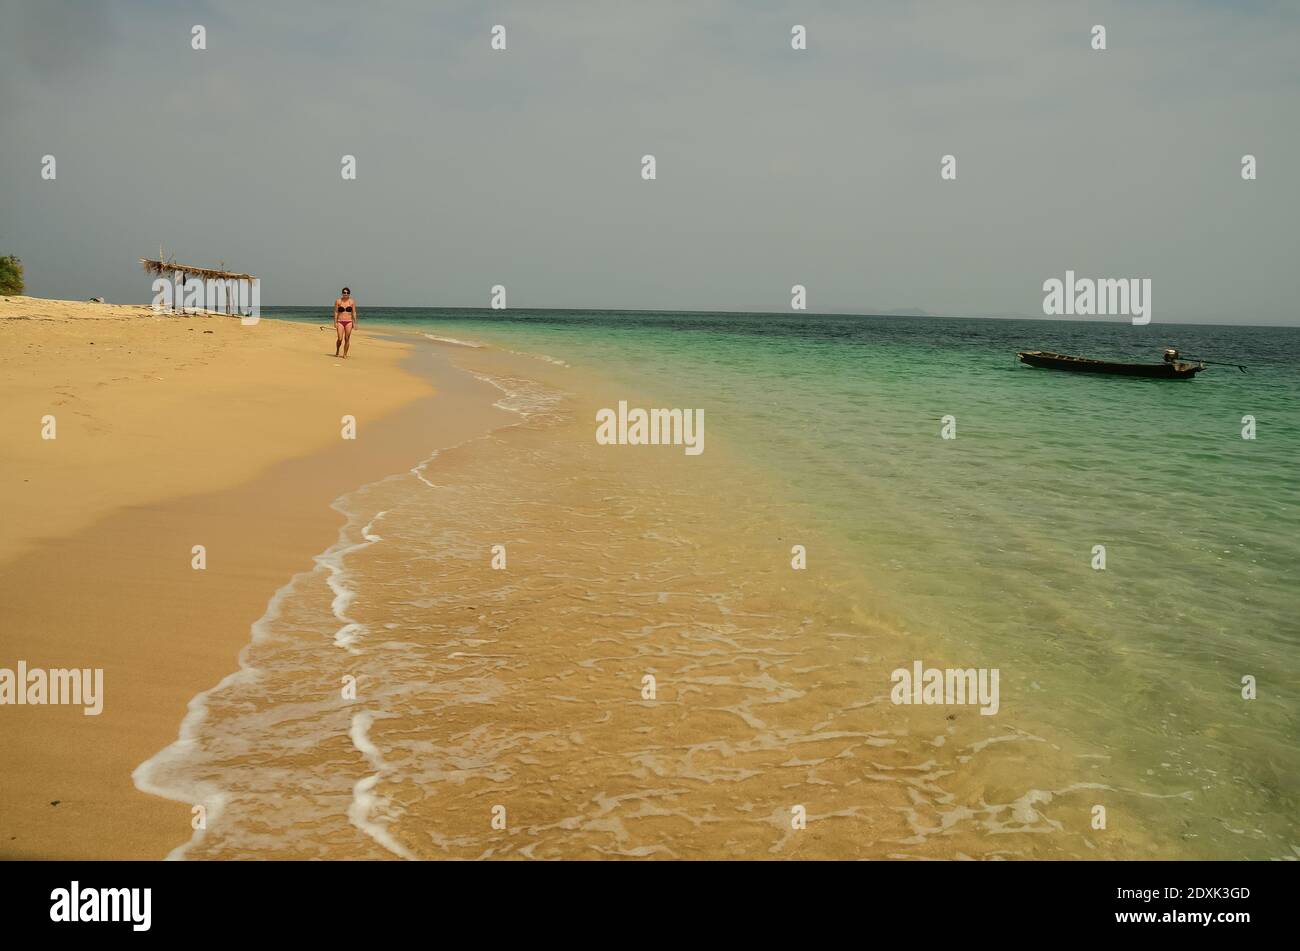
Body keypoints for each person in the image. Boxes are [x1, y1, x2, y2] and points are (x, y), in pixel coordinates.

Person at [333, 287, 357, 358]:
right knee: (340, 338)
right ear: (342, 293)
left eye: (347, 293)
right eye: (344, 292)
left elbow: (354, 312)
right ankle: (337, 350)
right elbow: (336, 312)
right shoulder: (338, 301)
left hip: (349, 322)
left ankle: (345, 354)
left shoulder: (352, 302)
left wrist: (355, 323)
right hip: (340, 321)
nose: (345, 294)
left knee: (347, 338)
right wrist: (335, 322)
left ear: (349, 294)